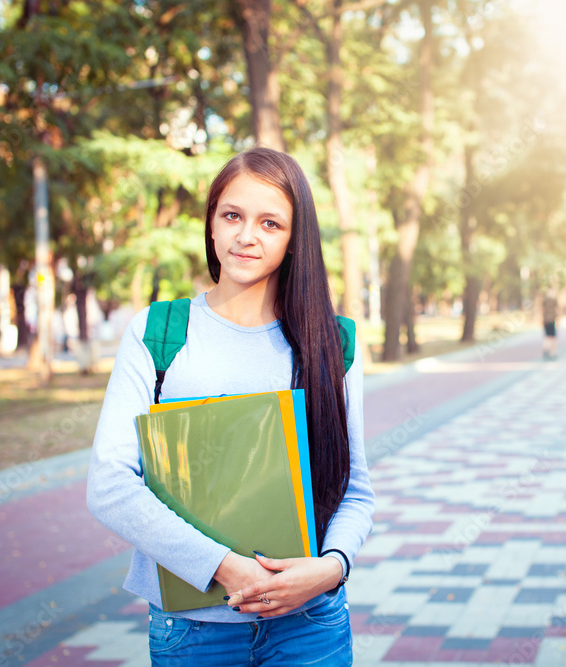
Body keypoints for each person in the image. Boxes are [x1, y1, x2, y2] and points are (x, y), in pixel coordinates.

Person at [86, 147, 375, 666]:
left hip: (310, 625)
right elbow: (110, 485)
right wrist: (226, 567)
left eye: (270, 223)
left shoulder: (334, 343)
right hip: (193, 631)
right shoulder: (159, 332)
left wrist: (332, 567)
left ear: (293, 241)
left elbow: (354, 490)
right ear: (212, 225)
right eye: (233, 216)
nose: (247, 236)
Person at [542, 288, 558, 360]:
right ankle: (552, 352)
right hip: (552, 320)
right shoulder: (554, 300)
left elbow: (542, 309)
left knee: (547, 336)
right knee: (552, 337)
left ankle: (546, 348)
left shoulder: (544, 300)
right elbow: (557, 309)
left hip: (546, 320)